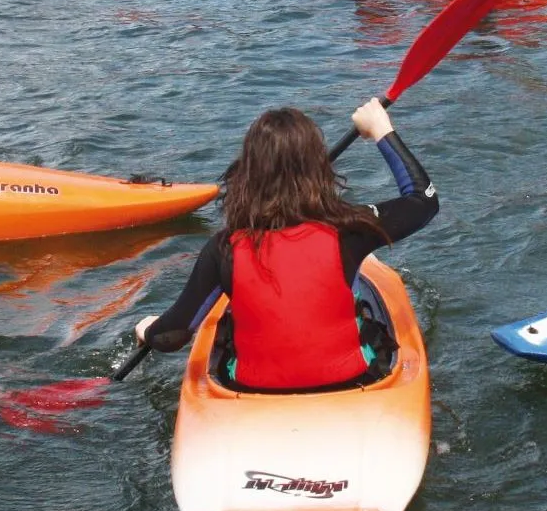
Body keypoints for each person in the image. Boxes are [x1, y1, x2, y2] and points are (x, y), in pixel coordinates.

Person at [131, 100, 437, 391]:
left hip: (250, 388)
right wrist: (381, 129)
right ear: (319, 169)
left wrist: (148, 329)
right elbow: (423, 200)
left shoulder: (224, 248)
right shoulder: (351, 229)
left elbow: (173, 336)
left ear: (248, 173)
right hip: (351, 379)